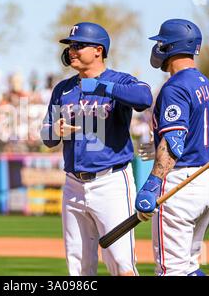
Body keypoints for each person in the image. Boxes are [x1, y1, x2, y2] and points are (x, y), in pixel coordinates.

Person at [41, 22, 153, 276]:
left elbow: (144, 98)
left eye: (79, 46)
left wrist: (103, 86)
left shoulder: (119, 81)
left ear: (98, 50)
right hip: (72, 185)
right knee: (79, 268)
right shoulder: (63, 89)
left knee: (121, 264)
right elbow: (46, 136)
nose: (72, 51)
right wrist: (54, 131)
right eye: (70, 46)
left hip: (110, 182)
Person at [135, 19, 209, 276]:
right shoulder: (207, 85)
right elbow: (197, 134)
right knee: (190, 267)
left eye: (161, 43)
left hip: (181, 185)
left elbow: (174, 142)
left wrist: (152, 183)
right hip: (208, 181)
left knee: (170, 271)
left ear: (171, 46)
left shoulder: (175, 86)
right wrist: (156, 147)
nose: (158, 48)